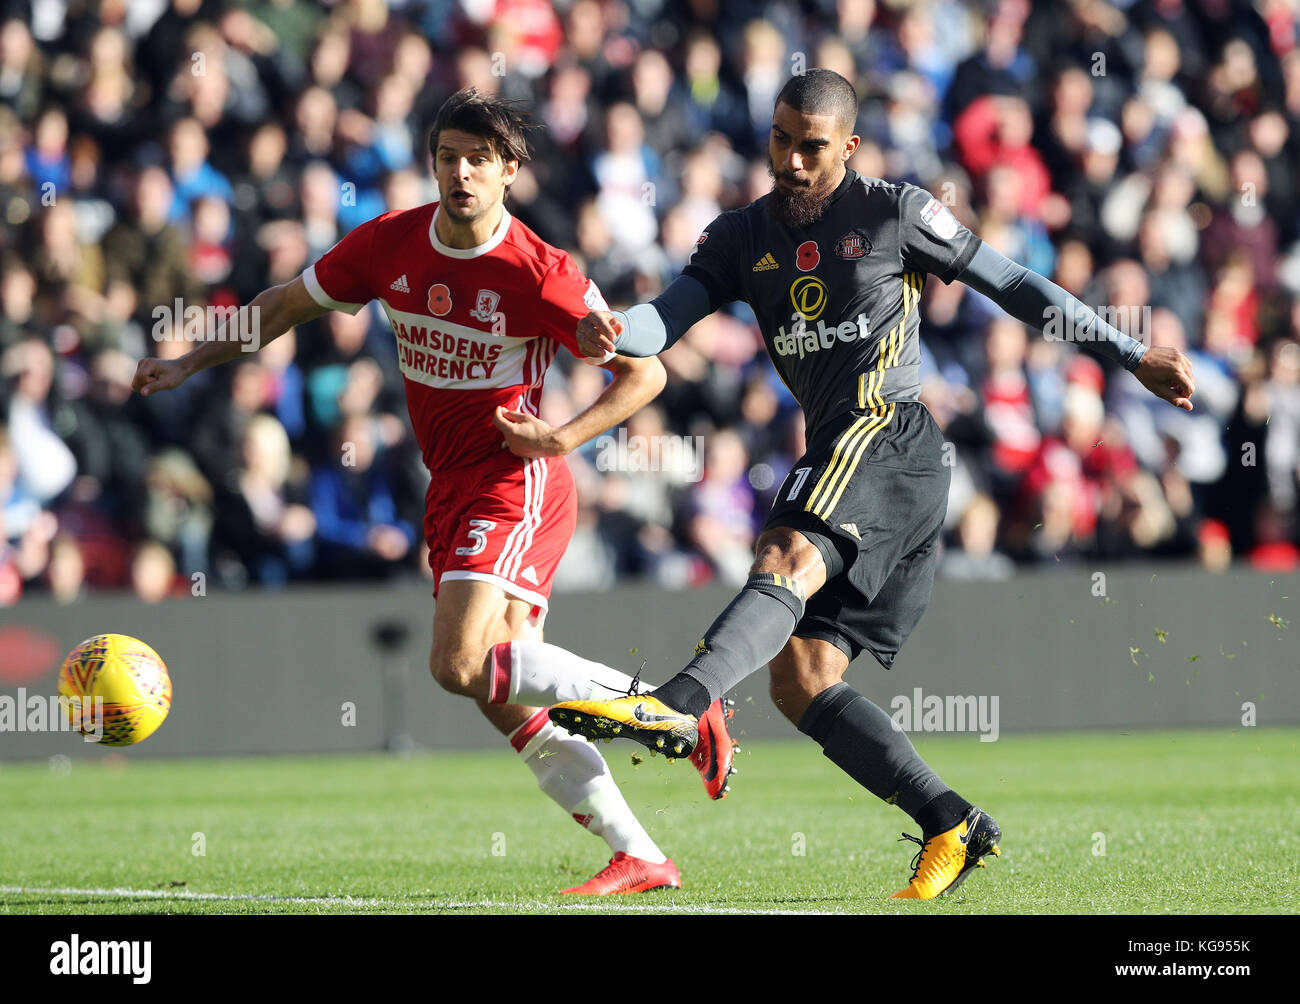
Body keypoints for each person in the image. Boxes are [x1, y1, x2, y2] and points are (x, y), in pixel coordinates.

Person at [549, 70, 1196, 899]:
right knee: (802, 678)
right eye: (780, 140)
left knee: (784, 550)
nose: (790, 160)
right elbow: (663, 319)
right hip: (858, 458)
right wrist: (611, 329)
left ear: (848, 148)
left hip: (887, 433)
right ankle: (950, 822)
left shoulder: (896, 212)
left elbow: (1015, 285)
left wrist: (1128, 351)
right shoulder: (740, 236)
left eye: (811, 147)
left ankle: (678, 702)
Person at [131, 88, 735, 896]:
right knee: (501, 687)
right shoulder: (390, 244)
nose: (460, 171)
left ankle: (673, 711)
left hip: (515, 480)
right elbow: (282, 307)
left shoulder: (542, 272)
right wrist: (185, 363)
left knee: (456, 664)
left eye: (479, 159)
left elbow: (646, 372)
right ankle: (640, 854)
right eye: (448, 155)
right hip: (449, 485)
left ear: (509, 172)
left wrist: (561, 437)